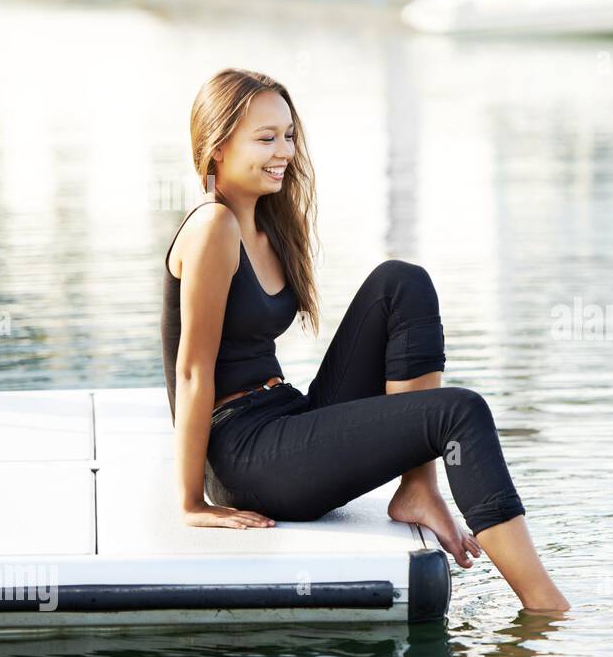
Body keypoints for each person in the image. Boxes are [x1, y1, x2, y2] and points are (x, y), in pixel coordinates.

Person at [161, 67, 569, 613]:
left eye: (287, 135)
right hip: (245, 456)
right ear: (216, 148)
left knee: (401, 282)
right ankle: (545, 608)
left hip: (282, 419)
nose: (283, 150)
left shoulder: (265, 225)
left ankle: (417, 488)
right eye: (265, 138)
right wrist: (193, 502)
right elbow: (191, 372)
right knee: (459, 412)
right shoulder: (214, 228)